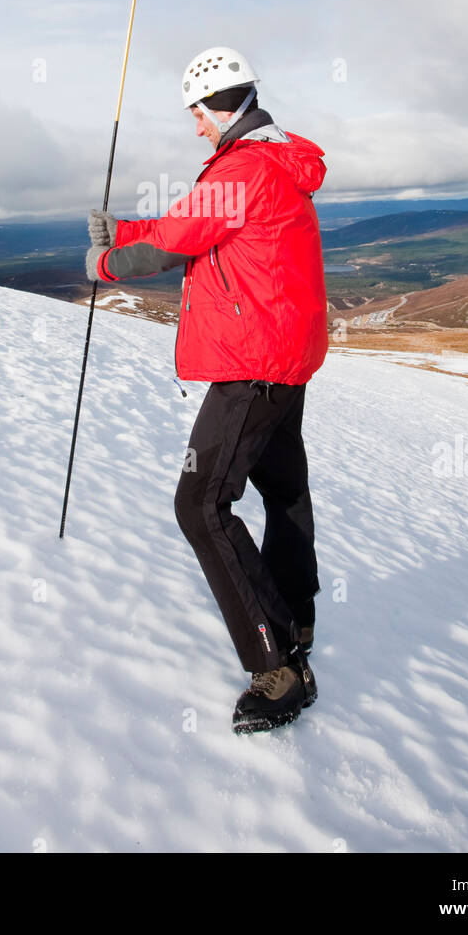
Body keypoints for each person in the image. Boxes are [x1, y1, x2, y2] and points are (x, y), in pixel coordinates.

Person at [85, 46, 329, 733]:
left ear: (217, 107)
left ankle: (277, 669)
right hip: (287, 353)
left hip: (255, 360)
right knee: (282, 490)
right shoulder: (271, 160)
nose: (195, 128)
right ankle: (297, 621)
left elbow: (172, 243)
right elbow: (194, 229)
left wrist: (109, 258)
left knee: (200, 502)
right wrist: (127, 230)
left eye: (196, 114)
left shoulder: (244, 167)